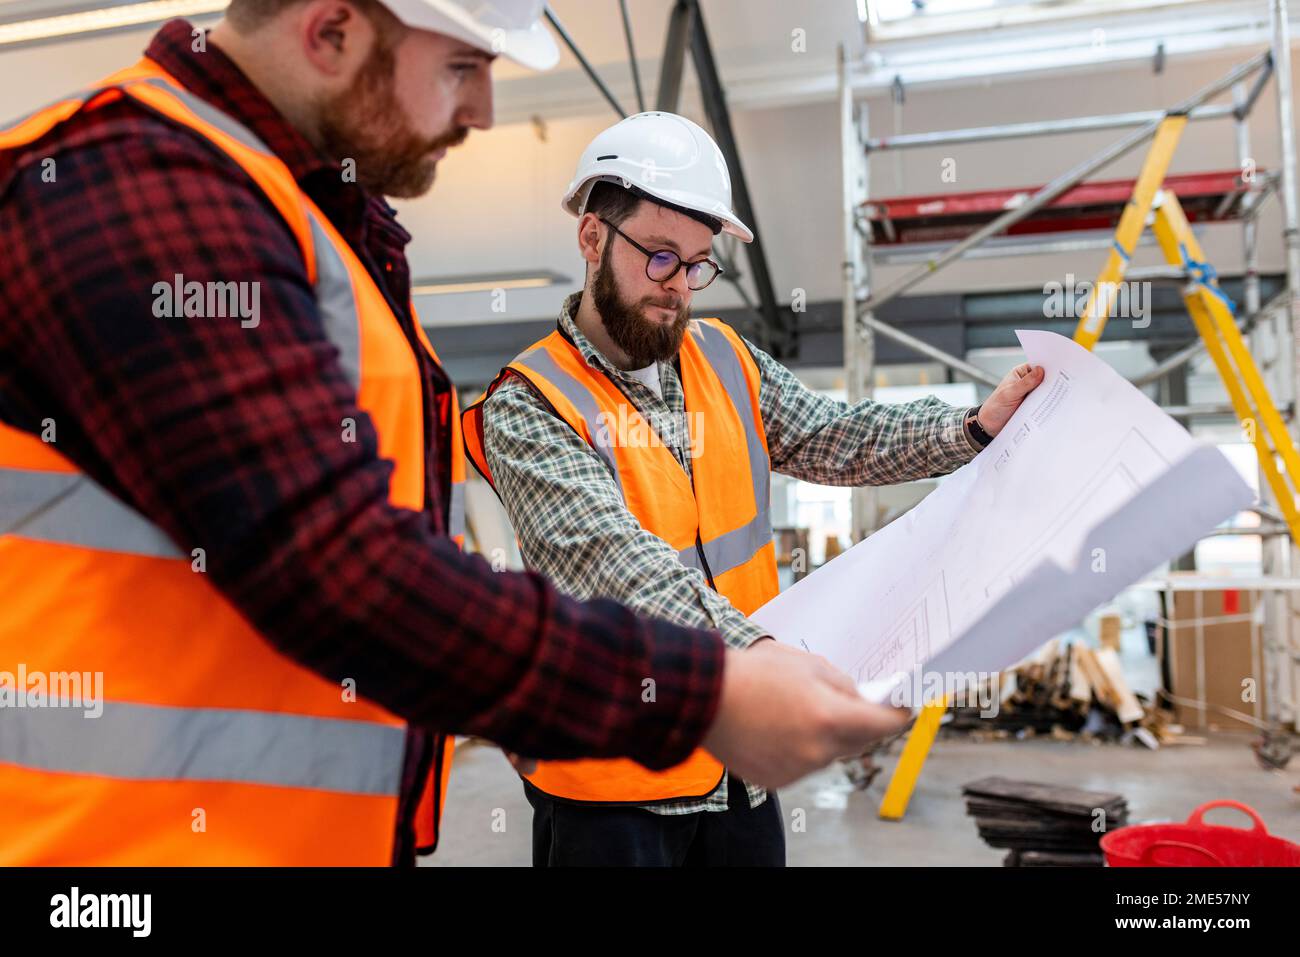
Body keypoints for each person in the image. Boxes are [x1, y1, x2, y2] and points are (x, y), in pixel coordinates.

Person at [0, 2, 906, 866]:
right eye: (464, 66)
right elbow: (342, 565)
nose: (484, 107)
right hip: (111, 851)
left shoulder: (317, 224)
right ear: (332, 30)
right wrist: (707, 685)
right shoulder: (139, 186)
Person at [463, 111, 1045, 866]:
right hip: (611, 787)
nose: (678, 288)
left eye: (699, 264)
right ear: (593, 239)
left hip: (735, 767)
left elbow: (835, 435)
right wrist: (768, 657)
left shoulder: (724, 358)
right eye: (661, 257)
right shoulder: (529, 402)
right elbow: (616, 568)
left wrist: (970, 429)